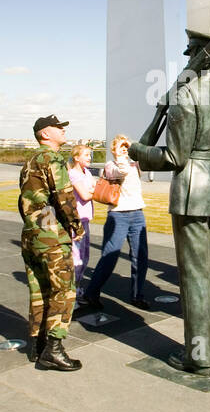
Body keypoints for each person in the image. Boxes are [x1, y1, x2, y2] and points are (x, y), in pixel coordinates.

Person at [130, 31, 210, 377]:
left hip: (193, 192)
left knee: (194, 277)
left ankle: (199, 356)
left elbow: (175, 157)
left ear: (199, 56)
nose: (185, 55)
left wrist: (139, 153)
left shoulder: (186, 94)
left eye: (189, 51)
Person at [18, 115, 85, 371]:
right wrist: (75, 226)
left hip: (32, 231)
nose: (63, 131)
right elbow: (64, 196)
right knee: (65, 290)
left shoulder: (31, 160)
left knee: (39, 290)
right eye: (58, 128)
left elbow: (24, 200)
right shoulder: (52, 158)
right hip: (50, 233)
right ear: (45, 134)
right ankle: (54, 349)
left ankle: (37, 344)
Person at [79, 134, 150, 311]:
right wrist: (119, 155)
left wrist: (132, 147)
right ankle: (92, 293)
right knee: (109, 257)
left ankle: (137, 295)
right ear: (113, 150)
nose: (124, 149)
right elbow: (122, 171)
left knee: (140, 257)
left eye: (126, 146)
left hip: (137, 214)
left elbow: (146, 157)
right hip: (118, 216)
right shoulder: (110, 166)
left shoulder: (135, 165)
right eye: (120, 146)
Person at [68, 142, 96, 289]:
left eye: (89, 155)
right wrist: (94, 191)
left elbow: (94, 189)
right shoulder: (73, 174)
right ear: (76, 157)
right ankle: (73, 291)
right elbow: (85, 195)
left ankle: (77, 288)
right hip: (76, 221)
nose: (89, 158)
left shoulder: (88, 173)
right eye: (86, 155)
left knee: (85, 256)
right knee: (76, 257)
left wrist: (93, 191)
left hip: (85, 219)